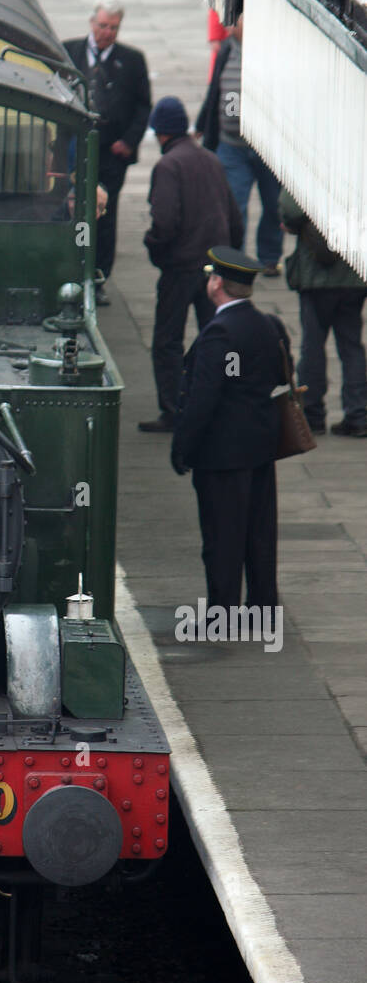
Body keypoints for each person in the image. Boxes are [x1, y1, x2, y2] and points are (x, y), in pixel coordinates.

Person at [171, 247, 289, 610]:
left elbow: (203, 399)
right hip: (260, 450)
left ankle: (222, 614)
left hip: (222, 456)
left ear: (217, 282)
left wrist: (182, 447)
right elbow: (282, 376)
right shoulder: (269, 325)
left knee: (222, 538)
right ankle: (262, 608)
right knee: (258, 536)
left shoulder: (220, 333)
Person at [138, 97, 244, 433]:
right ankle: (219, 404)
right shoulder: (211, 159)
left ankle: (173, 410)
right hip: (216, 266)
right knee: (215, 335)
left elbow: (165, 222)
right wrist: (228, 258)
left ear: (160, 133)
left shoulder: (168, 167)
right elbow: (235, 217)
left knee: (168, 340)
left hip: (181, 268)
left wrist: (155, 249)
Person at [63, 3, 151, 303]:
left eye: (113, 28)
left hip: (112, 153)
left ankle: (99, 275)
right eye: (103, 26)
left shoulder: (132, 60)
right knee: (72, 205)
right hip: (76, 150)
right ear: (92, 23)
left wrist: (129, 141)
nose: (107, 33)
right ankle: (70, 268)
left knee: (105, 211)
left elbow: (143, 106)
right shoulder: (68, 52)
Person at [195, 13, 282, 276]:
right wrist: (202, 124)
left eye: (236, 24)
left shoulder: (271, 53)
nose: (229, 27)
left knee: (273, 205)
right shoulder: (226, 51)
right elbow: (215, 91)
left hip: (266, 147)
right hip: (231, 145)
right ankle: (235, 256)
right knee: (235, 204)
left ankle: (269, 257)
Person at [279, 191, 367, 437]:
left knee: (313, 345)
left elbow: (291, 211)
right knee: (351, 346)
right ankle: (358, 414)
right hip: (353, 272)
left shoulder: (312, 161)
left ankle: (312, 414)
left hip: (316, 274)